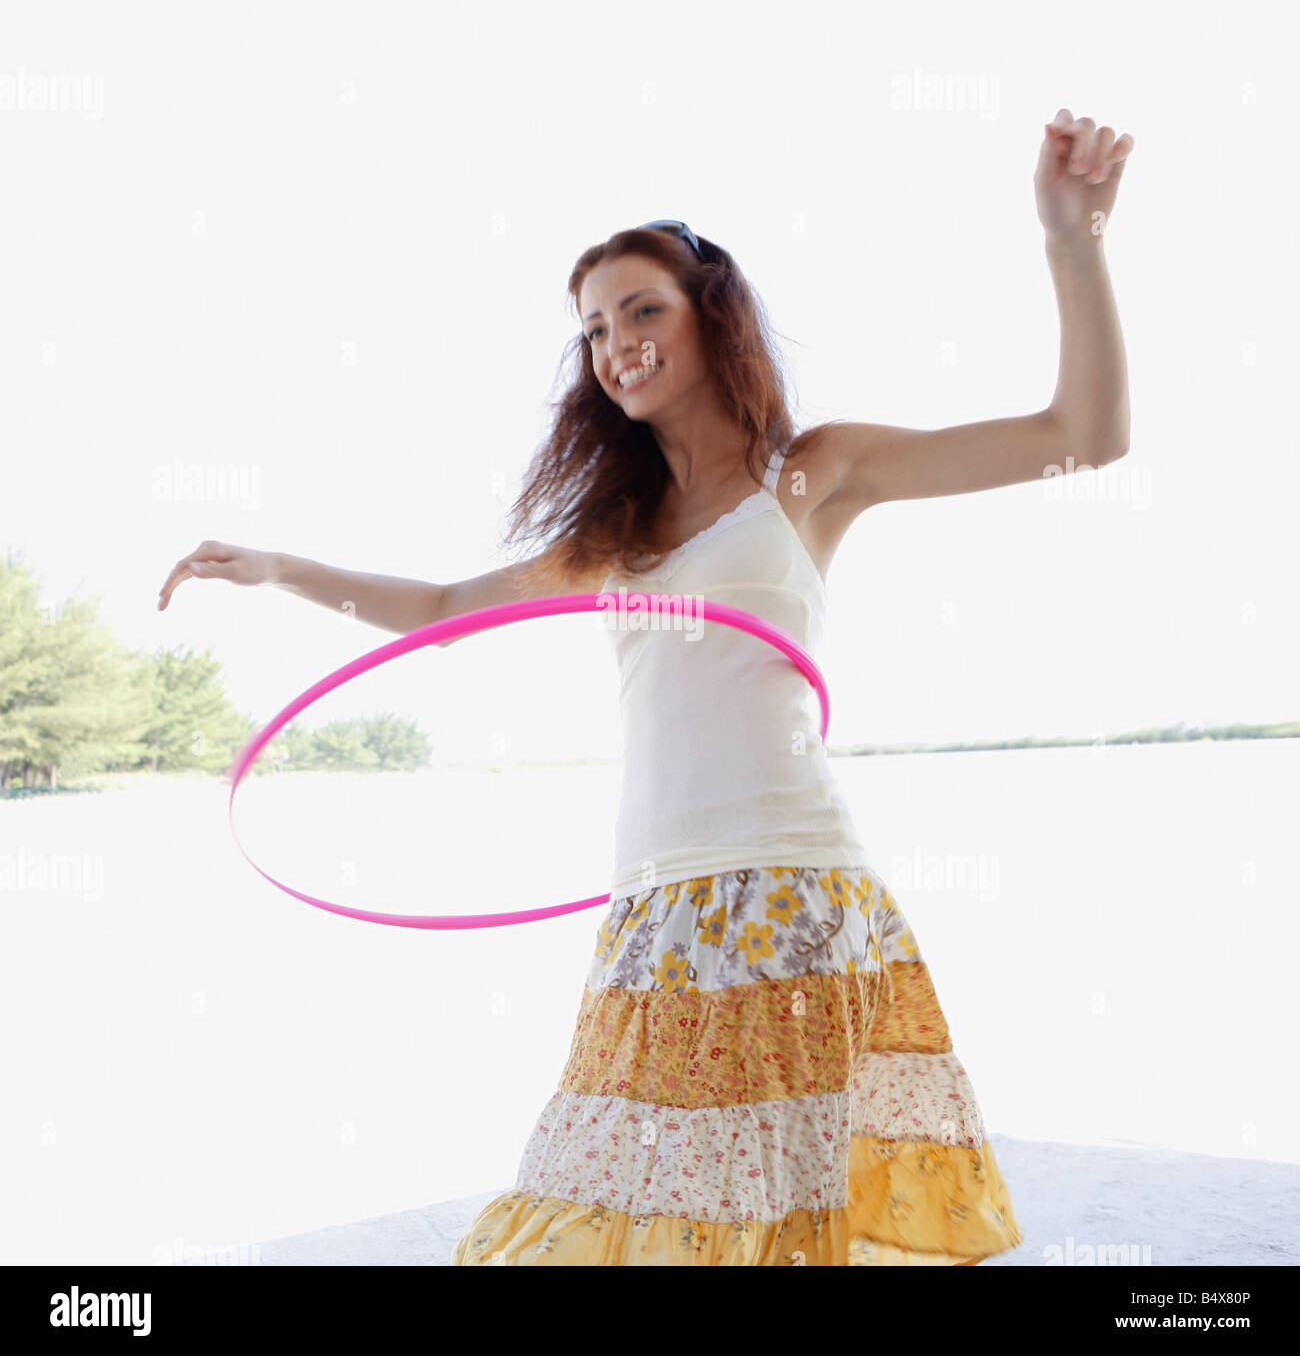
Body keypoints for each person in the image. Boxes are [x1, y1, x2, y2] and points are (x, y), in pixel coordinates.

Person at [157, 110, 1132, 1265]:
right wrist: (279, 568)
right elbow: (437, 613)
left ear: (709, 315)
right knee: (623, 1209)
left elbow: (1083, 435)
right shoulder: (611, 539)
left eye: (640, 310)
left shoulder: (813, 472)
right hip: (656, 909)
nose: (615, 342)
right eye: (594, 328)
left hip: (791, 887)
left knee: (778, 1214)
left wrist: (1074, 240)